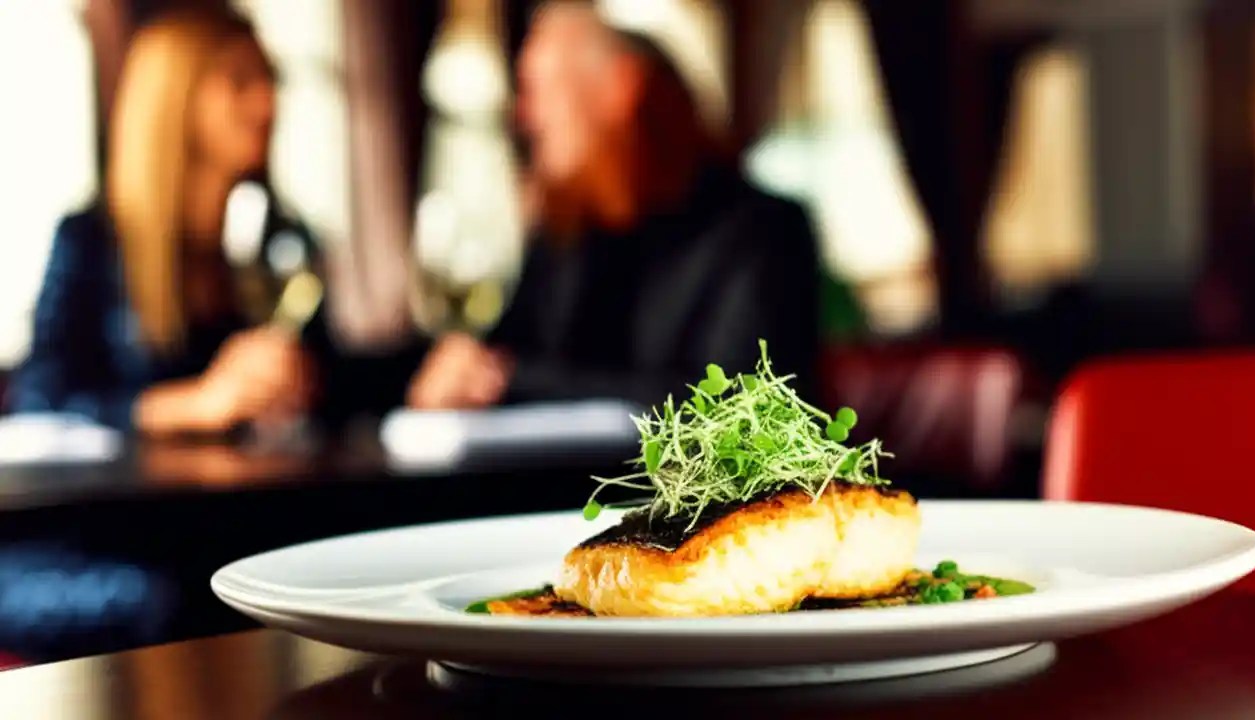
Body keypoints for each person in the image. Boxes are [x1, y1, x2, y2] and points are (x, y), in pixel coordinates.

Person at [404, 4, 820, 411]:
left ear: (623, 89)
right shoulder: (566, 236)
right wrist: (458, 376)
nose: (524, 117)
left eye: (540, 91)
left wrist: (508, 382)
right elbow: (499, 358)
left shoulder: (763, 233)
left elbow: (738, 408)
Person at [9, 10, 317, 434]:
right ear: (177, 100)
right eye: (240, 82)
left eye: (271, 79)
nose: (267, 102)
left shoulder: (279, 239)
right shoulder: (92, 241)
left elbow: (336, 382)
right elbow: (38, 406)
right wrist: (193, 405)